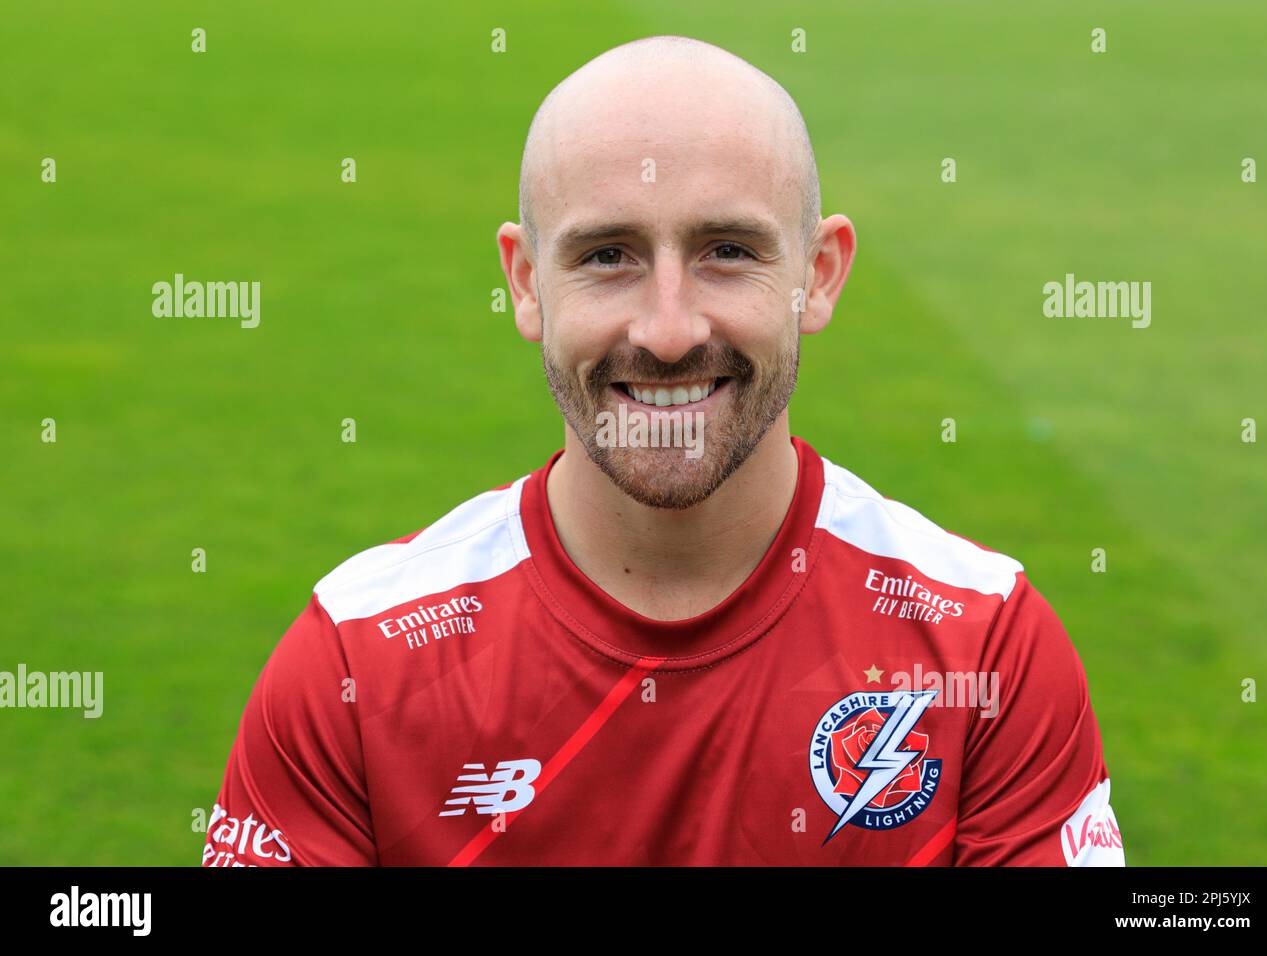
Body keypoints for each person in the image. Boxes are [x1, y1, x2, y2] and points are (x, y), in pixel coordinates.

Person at [204, 35, 1123, 866]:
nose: (671, 329)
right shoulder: (359, 664)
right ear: (527, 284)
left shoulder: (983, 649)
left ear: (819, 273)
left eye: (727, 250)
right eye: (608, 256)